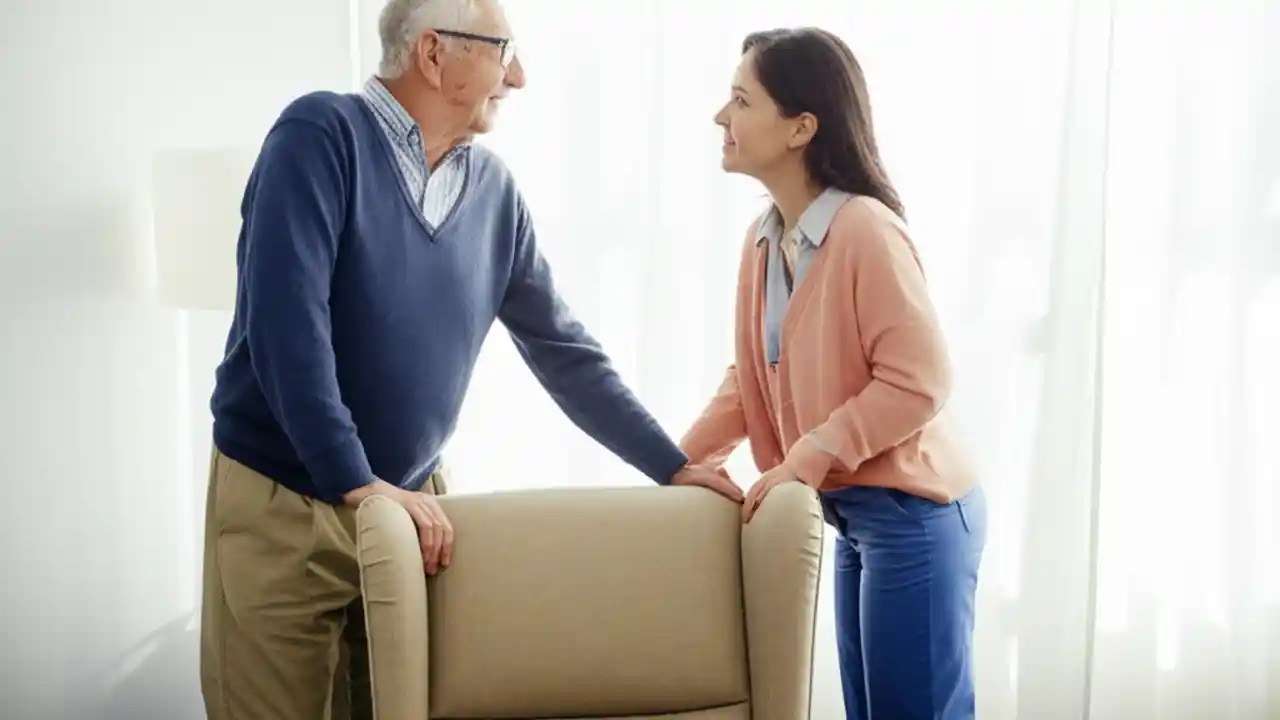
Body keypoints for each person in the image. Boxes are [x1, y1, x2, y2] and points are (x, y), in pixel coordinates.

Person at [199, 0, 740, 717]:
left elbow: (564, 351)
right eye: (502, 49)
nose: (519, 76)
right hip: (287, 501)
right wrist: (354, 482)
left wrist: (670, 463)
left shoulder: (493, 192)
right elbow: (285, 328)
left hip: (411, 506)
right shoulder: (319, 136)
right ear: (432, 54)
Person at [679, 28, 987, 719]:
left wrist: (804, 459)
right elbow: (754, 373)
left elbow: (919, 381)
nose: (720, 118)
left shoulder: (865, 231)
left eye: (740, 100)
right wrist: (680, 460)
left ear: (800, 128)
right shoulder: (764, 239)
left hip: (918, 510)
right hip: (855, 512)